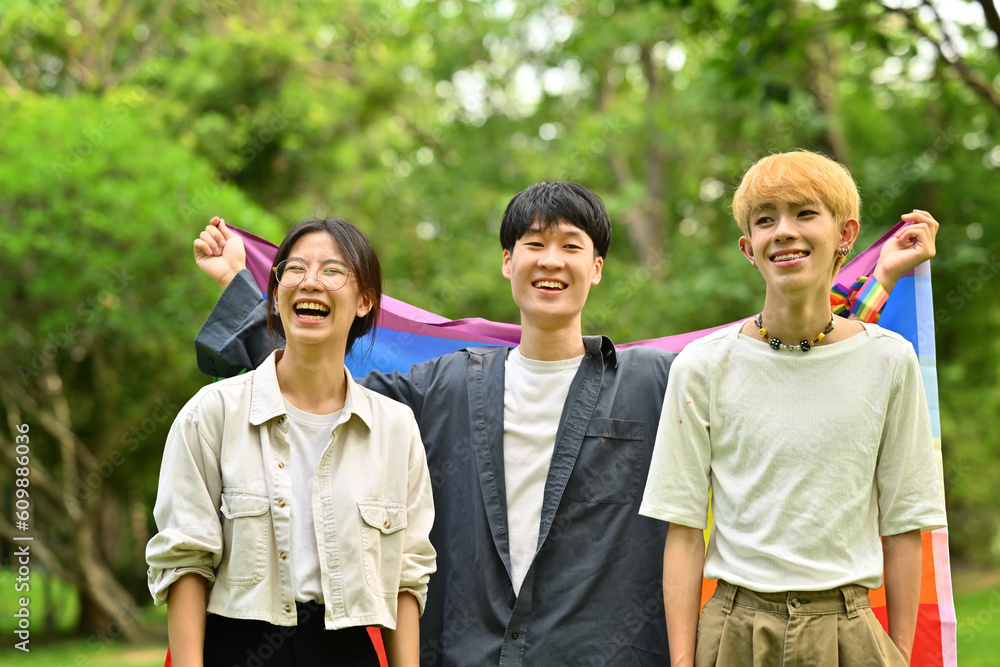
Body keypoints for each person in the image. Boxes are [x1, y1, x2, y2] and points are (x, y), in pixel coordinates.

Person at [191, 180, 936, 666]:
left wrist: (880, 279)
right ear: (507, 263)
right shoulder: (442, 386)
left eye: (571, 245)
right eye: (534, 245)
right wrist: (238, 285)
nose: (552, 260)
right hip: (472, 653)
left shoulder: (658, 381)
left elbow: (778, 352)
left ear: (597, 268)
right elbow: (319, 384)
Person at [638, 151, 947, 667]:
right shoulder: (701, 366)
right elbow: (685, 530)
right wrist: (682, 661)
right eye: (765, 220)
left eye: (805, 213)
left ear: (844, 234)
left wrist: (898, 655)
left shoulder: (890, 360)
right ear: (748, 248)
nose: (783, 231)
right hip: (732, 630)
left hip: (850, 631)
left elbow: (903, 524)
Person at [146, 218, 436, 667]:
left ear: (364, 301)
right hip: (236, 644)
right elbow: (185, 560)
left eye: (333, 271)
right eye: (294, 269)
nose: (311, 282)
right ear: (276, 295)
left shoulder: (395, 428)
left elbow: (406, 578)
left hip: (349, 649)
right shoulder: (213, 412)